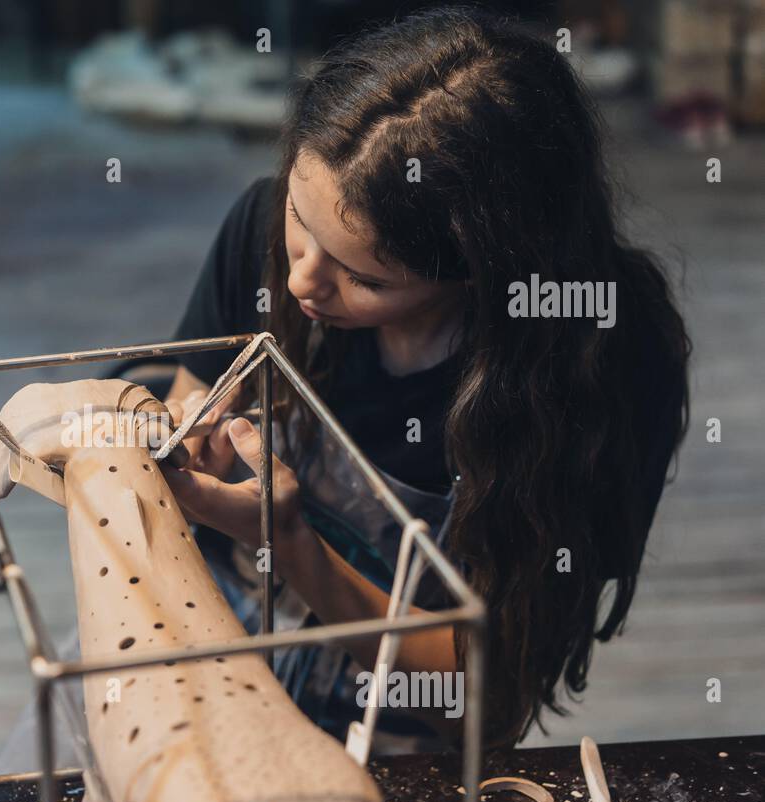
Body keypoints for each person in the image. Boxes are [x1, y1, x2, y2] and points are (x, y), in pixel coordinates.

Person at [162, 7, 691, 750]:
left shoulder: (600, 368)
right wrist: (184, 437)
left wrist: (294, 543)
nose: (305, 280)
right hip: (201, 660)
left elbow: (486, 699)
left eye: (363, 278)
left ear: (482, 272)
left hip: (394, 741)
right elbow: (186, 394)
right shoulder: (263, 230)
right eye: (298, 217)